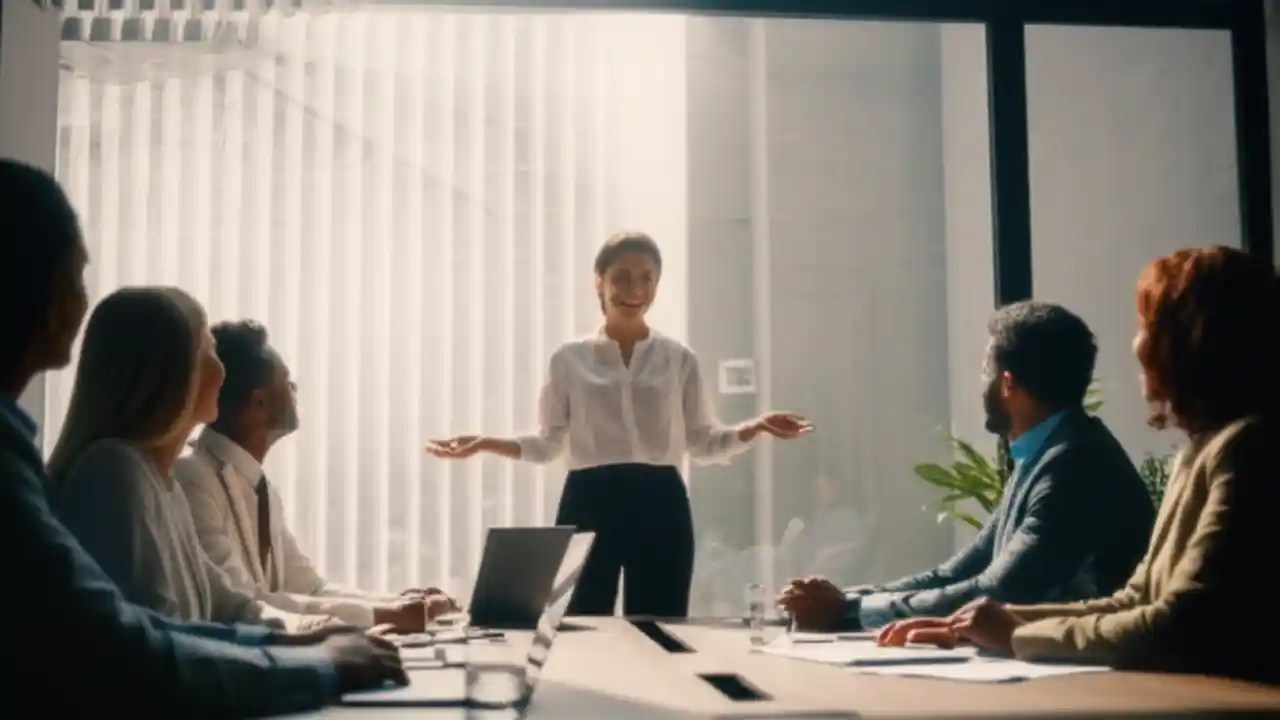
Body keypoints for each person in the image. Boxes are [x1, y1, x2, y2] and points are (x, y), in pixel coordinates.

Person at [0, 159, 404, 715]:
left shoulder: (153, 478)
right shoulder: (115, 471)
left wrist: (302, 642)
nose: (81, 297)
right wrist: (315, 658)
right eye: (76, 277)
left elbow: (217, 606)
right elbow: (141, 645)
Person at [881, 247, 1279, 684]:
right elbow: (1137, 597)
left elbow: (1177, 623)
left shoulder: (1244, 449)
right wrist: (998, 622)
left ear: (1194, 340)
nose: (1136, 343)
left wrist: (1015, 634)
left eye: (1147, 326)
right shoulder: (1199, 451)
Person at [428, 231, 814, 617]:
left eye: (646, 277)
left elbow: (704, 442)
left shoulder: (678, 358)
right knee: (581, 625)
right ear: (600, 280)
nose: (635, 288)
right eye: (623, 276)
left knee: (659, 625)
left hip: (661, 502)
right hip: (589, 501)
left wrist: (758, 426)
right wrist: (483, 443)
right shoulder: (568, 359)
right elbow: (547, 443)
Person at [779, 301, 1154, 631]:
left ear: (1006, 383)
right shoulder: (1049, 452)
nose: (981, 385)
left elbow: (999, 592)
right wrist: (848, 600)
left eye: (984, 373)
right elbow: (959, 572)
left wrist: (849, 610)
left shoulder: (1074, 465)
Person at [47, 287, 331, 632]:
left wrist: (320, 631)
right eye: (207, 352)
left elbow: (231, 604)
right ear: (169, 371)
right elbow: (164, 636)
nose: (222, 373)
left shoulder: (163, 485)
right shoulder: (114, 473)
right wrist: (320, 652)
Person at [176, 320, 458, 632]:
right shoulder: (192, 479)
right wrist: (386, 615)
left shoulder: (261, 487)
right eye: (286, 382)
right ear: (259, 402)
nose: (295, 391)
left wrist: (397, 603)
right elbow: (245, 603)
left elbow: (310, 589)